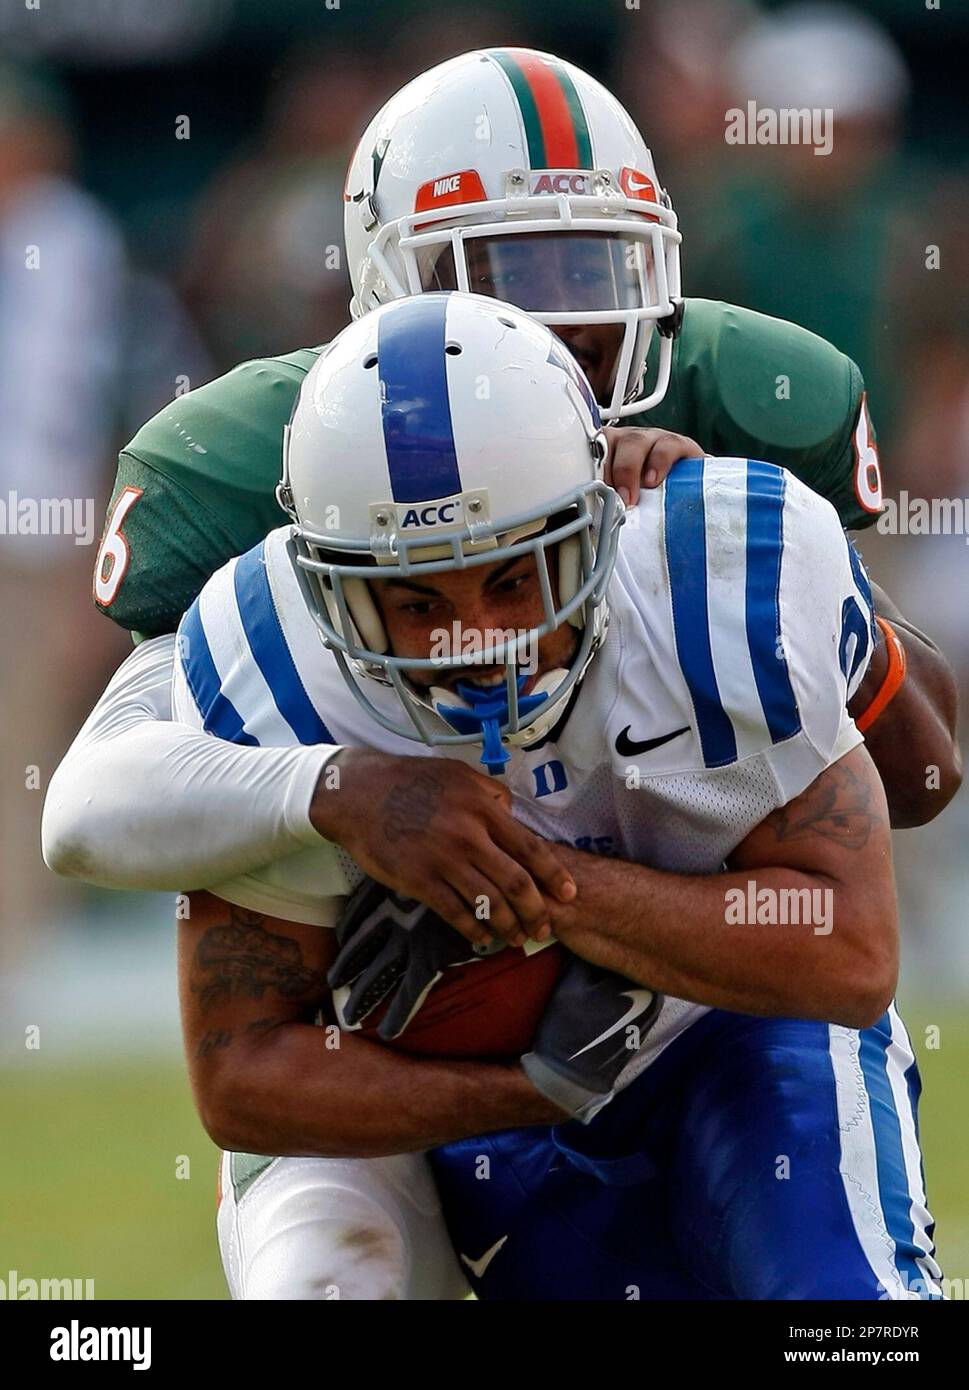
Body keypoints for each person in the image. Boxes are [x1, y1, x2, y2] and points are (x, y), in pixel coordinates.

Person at [41, 49, 959, 915]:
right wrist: (332, 794)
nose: (565, 314)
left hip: (701, 937)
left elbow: (926, 773)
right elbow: (90, 806)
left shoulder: (744, 399)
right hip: (414, 937)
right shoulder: (256, 456)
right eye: (506, 275)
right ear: (384, 281)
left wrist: (754, 541)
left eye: (596, 262)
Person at [173, 292, 937, 1300]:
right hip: (454, 1106)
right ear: (334, 592)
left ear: (592, 526)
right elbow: (241, 1075)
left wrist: (542, 888)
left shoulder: (714, 576)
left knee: (836, 1303)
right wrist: (523, 1091)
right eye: (415, 600)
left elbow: (850, 952)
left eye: (514, 576)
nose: (478, 636)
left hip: (739, 1026)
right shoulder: (269, 662)